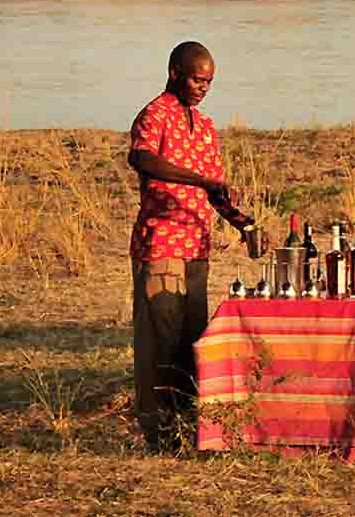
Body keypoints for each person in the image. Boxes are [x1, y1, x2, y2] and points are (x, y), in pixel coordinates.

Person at [126, 41, 249, 450]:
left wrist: (243, 223)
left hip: (197, 248)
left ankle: (185, 429)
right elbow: (141, 159)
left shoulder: (206, 126)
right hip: (161, 245)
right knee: (159, 343)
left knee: (191, 343)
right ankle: (156, 434)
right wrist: (198, 179)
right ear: (175, 73)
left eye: (209, 82)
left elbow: (215, 191)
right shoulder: (154, 114)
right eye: (197, 80)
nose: (203, 88)